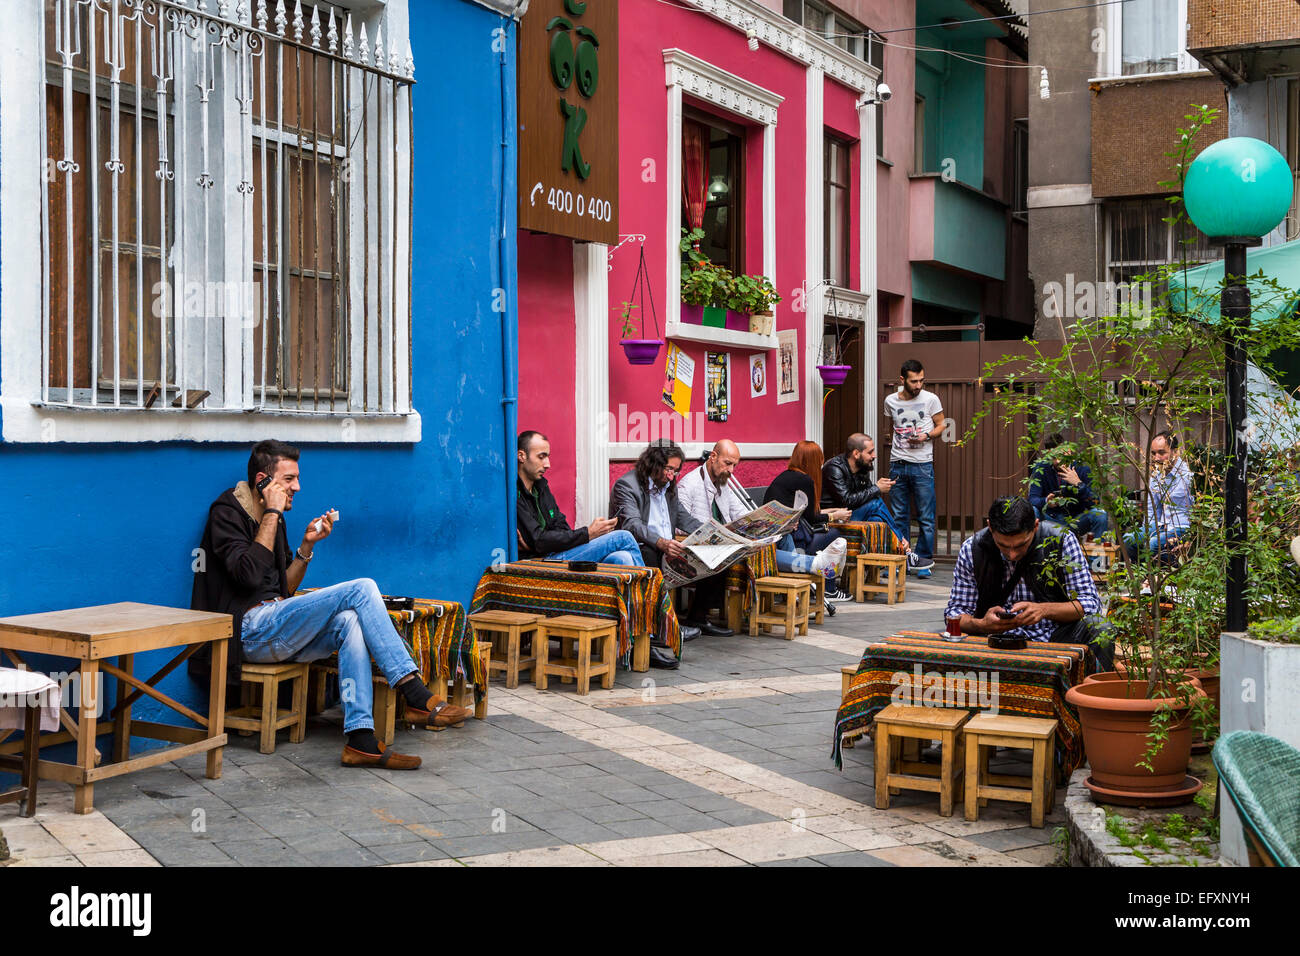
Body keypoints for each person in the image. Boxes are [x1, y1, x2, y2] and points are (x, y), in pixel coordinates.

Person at [191, 440, 471, 771]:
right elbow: (248, 577)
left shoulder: (274, 520)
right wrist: (271, 512)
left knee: (351, 620)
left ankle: (360, 740)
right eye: (289, 479)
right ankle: (415, 694)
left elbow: (285, 589)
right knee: (363, 588)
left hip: (276, 627)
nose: (298, 486)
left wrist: (306, 547)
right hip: (247, 634)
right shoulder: (226, 513)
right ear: (262, 481)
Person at [945, 496, 1111, 669]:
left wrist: (1045, 610)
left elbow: (1091, 604)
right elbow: (955, 614)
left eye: (1020, 545)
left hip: (1054, 636)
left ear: (1036, 526)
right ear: (990, 527)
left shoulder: (1061, 540)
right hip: (992, 640)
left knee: (1099, 627)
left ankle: (1087, 691)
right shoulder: (973, 549)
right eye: (1003, 545)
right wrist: (981, 624)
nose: (1012, 555)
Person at [608, 440, 710, 639]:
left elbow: (682, 516)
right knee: (650, 554)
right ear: (653, 463)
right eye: (668, 469)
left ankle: (697, 617)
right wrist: (661, 543)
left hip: (668, 544)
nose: (671, 475)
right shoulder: (627, 485)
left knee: (710, 557)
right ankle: (663, 626)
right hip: (643, 545)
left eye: (675, 470)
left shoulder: (669, 484)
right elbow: (632, 524)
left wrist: (710, 533)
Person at [516, 431, 642, 565]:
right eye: (541, 457)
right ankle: (653, 585)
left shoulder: (541, 487)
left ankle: (636, 586)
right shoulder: (514, 493)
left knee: (622, 558)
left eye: (547, 457)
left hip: (556, 553)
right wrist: (589, 533)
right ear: (521, 456)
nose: (547, 464)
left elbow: (562, 528)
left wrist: (541, 543)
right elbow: (538, 539)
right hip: (540, 561)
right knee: (623, 537)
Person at [763, 441, 852, 600]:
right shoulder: (804, 480)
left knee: (789, 537)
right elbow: (812, 519)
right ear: (813, 461)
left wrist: (830, 511)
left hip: (784, 534)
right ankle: (828, 588)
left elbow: (806, 512)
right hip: (797, 537)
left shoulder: (785, 476)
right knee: (835, 534)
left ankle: (795, 597)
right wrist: (835, 516)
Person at [821, 432, 920, 568]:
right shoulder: (834, 468)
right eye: (870, 452)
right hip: (834, 518)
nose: (874, 456)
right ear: (856, 454)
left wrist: (875, 489)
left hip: (851, 515)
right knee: (875, 504)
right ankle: (903, 548)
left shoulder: (862, 469)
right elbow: (846, 500)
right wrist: (877, 488)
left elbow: (865, 496)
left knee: (877, 520)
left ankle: (882, 564)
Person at [884, 359, 944, 577]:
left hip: (922, 465)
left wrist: (926, 436)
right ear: (902, 380)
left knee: (926, 517)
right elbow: (891, 425)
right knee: (899, 516)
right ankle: (902, 561)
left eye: (921, 380)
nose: (918, 385)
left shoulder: (931, 399)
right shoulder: (890, 400)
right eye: (914, 381)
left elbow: (942, 425)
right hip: (897, 463)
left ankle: (924, 562)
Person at [1124, 431, 1194, 565]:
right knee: (1129, 539)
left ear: (1175, 452)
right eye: (1153, 453)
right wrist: (1145, 531)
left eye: (1162, 453)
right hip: (1161, 525)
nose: (1156, 458)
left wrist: (1193, 538)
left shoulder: (1189, 475)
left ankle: (1156, 578)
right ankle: (1143, 577)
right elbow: (1152, 510)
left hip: (1183, 528)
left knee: (1153, 544)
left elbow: (1201, 509)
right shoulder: (1156, 476)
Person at [1028, 433, 1109, 541]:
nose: (1057, 461)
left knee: (1100, 514)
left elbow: (1095, 502)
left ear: (1069, 451)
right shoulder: (1041, 468)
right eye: (1053, 457)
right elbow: (1032, 499)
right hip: (1050, 520)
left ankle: (1096, 557)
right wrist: (1046, 501)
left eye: (1060, 456)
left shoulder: (1082, 469)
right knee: (1032, 511)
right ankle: (1035, 553)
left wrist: (1079, 484)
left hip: (1076, 520)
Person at [678, 439, 750, 526]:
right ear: (713, 456)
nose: (731, 470)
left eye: (734, 465)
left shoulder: (722, 482)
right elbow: (679, 526)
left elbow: (739, 512)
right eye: (727, 463)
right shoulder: (688, 485)